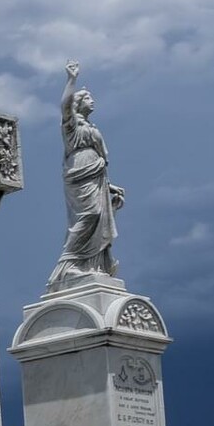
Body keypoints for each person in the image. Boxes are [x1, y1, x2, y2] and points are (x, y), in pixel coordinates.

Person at [47, 61, 125, 290]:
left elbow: (102, 160)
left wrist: (110, 187)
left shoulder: (92, 127)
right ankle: (67, 264)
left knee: (99, 218)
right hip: (79, 175)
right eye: (88, 98)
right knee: (88, 215)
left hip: (97, 177)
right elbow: (65, 105)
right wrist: (72, 80)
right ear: (79, 104)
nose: (93, 101)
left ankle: (90, 266)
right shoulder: (71, 125)